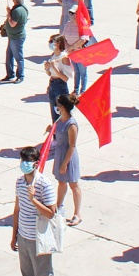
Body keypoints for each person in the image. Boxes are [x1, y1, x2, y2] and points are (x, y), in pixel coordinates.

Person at [11, 145, 57, 276]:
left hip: (39, 239)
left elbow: (50, 213)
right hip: (23, 237)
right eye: (22, 160)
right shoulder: (20, 182)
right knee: (28, 275)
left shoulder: (44, 184)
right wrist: (15, 236)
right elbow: (17, 210)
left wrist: (33, 200)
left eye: (27, 161)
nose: (24, 163)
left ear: (36, 163)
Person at [52, 93, 83, 227]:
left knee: (73, 184)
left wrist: (65, 164)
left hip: (68, 156)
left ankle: (77, 214)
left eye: (58, 105)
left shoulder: (71, 124)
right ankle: (58, 207)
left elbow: (72, 146)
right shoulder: (60, 120)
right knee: (61, 182)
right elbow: (58, 133)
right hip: (59, 153)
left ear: (63, 107)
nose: (56, 107)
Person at [2, 0, 29, 83]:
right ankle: (10, 74)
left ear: (15, 0)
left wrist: (9, 14)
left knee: (18, 57)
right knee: (9, 56)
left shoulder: (17, 11)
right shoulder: (22, 8)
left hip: (16, 37)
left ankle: (20, 76)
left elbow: (12, 24)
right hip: (13, 36)